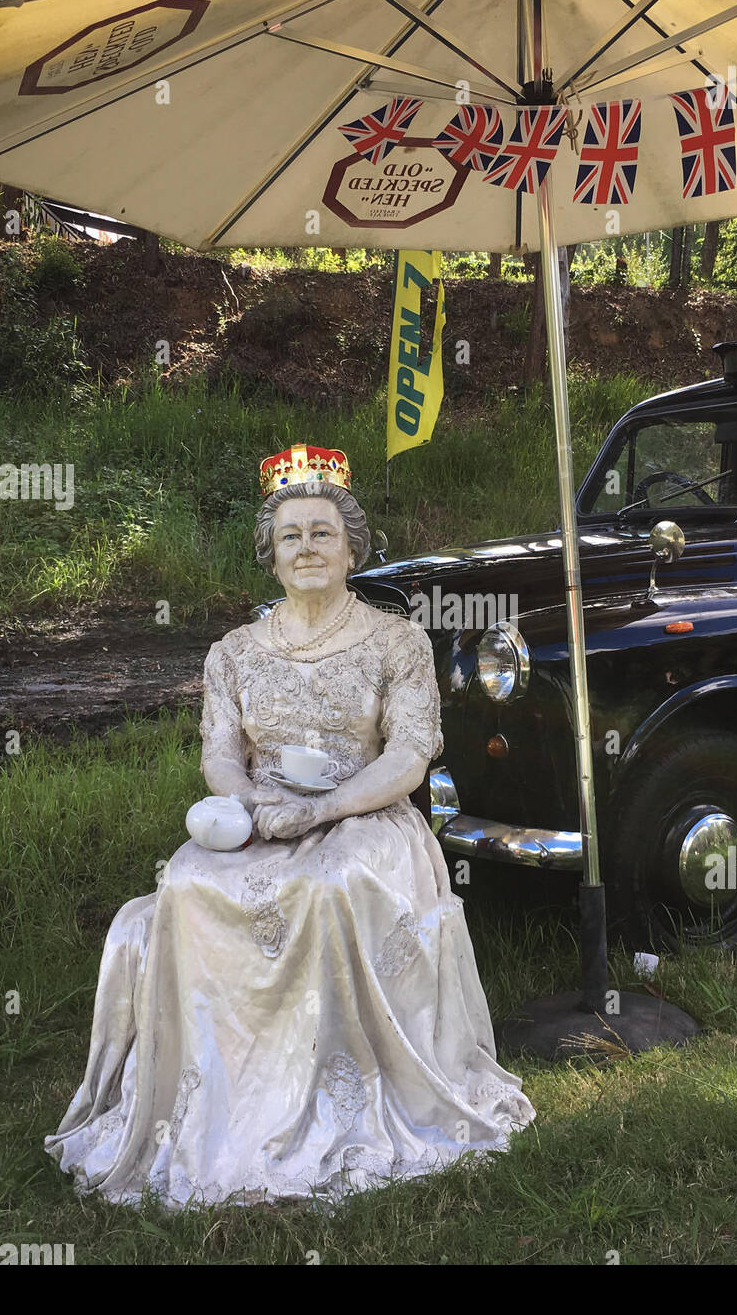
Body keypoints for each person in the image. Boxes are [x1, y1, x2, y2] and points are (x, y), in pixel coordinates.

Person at [45, 443, 534, 1208]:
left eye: (323, 533)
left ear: (352, 548)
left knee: (327, 883)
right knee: (187, 881)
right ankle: (225, 1099)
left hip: (366, 814)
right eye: (291, 536)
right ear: (269, 554)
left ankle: (336, 1101)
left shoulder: (397, 641)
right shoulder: (234, 652)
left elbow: (408, 755)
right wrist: (245, 807)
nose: (307, 548)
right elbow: (220, 757)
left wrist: (326, 808)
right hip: (263, 813)